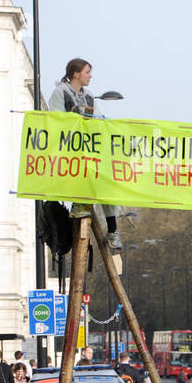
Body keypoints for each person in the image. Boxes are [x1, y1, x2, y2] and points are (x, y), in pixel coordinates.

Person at [47, 58, 123, 249]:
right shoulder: (61, 92)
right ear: (76, 73)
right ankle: (79, 205)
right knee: (88, 188)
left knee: (106, 185)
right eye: (87, 72)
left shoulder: (89, 95)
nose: (90, 76)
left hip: (90, 152)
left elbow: (98, 118)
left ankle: (113, 230)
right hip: (72, 153)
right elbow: (55, 120)